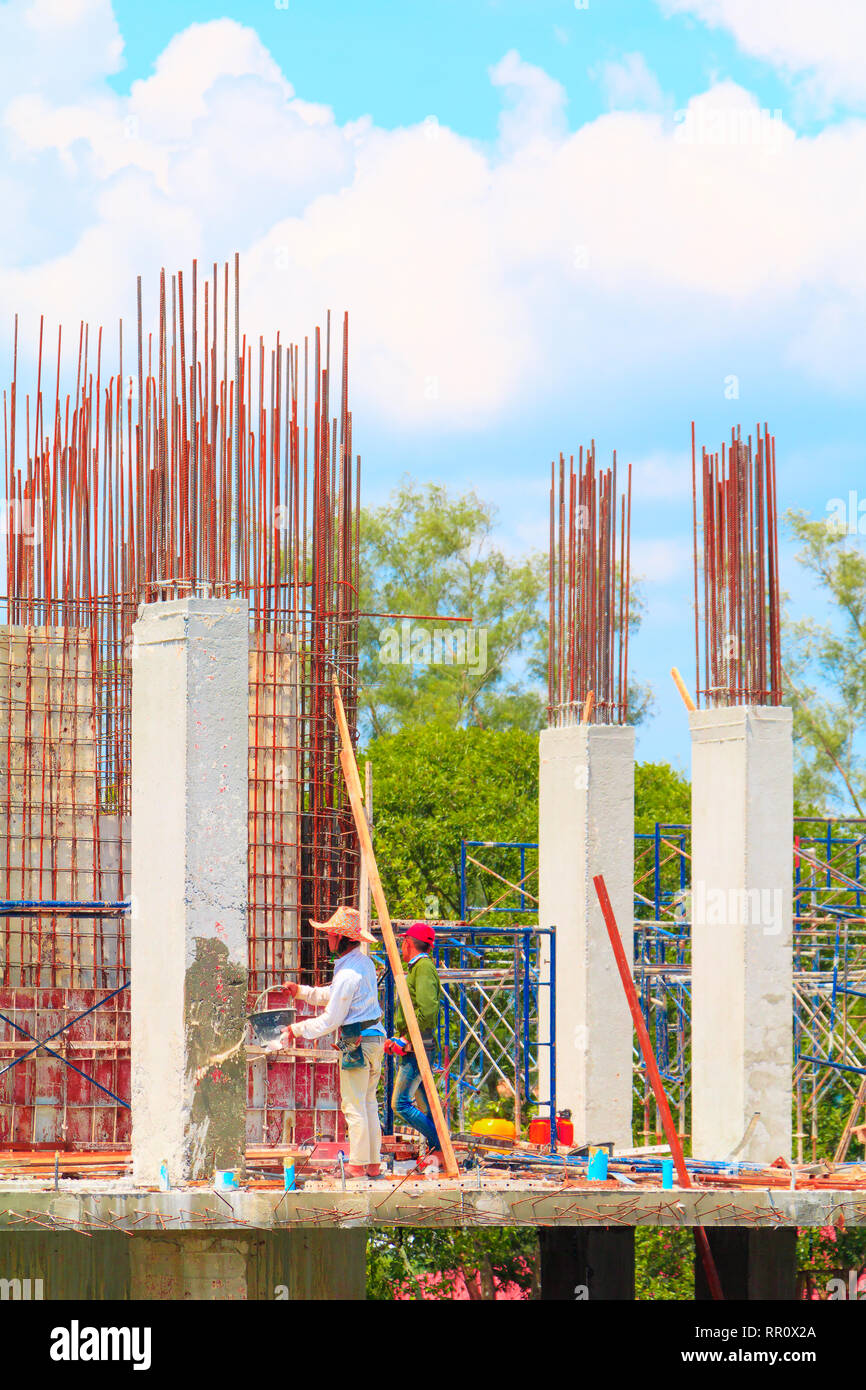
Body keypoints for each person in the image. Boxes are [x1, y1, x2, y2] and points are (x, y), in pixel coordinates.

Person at [281, 905, 385, 1179]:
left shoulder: (349, 973)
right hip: (374, 1038)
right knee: (369, 1103)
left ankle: (356, 1167)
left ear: (340, 937)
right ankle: (372, 1164)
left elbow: (330, 1019)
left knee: (353, 1105)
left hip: (357, 1041)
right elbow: (334, 995)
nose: (327, 940)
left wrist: (297, 1029)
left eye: (329, 935)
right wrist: (302, 992)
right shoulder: (362, 964)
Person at [385, 921, 446, 1171]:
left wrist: (409, 1040)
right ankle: (438, 1153)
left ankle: (440, 1143)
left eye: (403, 943)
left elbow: (428, 1010)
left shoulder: (422, 968)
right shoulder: (419, 968)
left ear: (408, 943)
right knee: (427, 1105)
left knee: (400, 1104)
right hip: (415, 1043)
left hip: (418, 1046)